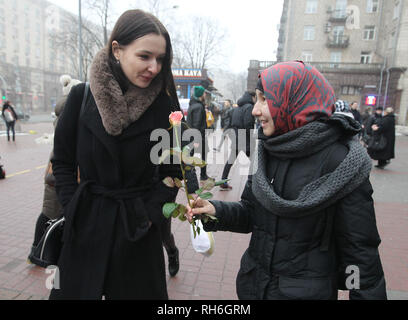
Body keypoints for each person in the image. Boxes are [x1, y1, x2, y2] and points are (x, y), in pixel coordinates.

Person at [187, 61, 386, 300]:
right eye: (257, 99)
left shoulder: (341, 161)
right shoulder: (268, 149)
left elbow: (361, 256)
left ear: (295, 100)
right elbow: (253, 212)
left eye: (264, 99)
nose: (255, 110)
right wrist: (215, 211)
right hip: (254, 287)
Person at [49, 9, 197, 300]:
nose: (154, 67)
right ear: (117, 50)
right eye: (145, 56)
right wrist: (72, 206)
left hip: (138, 231)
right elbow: (62, 161)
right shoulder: (80, 99)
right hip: (86, 226)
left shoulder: (164, 107)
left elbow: (172, 170)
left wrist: (151, 214)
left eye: (161, 59)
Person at [28, 75, 81, 266]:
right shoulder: (69, 110)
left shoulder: (64, 109)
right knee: (49, 212)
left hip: (57, 169)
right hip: (57, 171)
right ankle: (37, 250)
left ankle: (39, 250)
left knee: (51, 212)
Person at [219, 91, 256, 190]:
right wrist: (252, 137)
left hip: (236, 137)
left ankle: (223, 181)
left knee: (230, 161)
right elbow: (248, 124)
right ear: (252, 97)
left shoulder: (236, 108)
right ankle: (254, 184)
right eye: (255, 97)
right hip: (245, 138)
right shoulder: (249, 107)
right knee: (255, 161)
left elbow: (231, 123)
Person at [187, 85, 211, 182]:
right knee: (203, 154)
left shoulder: (193, 105)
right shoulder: (198, 107)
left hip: (192, 135)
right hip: (197, 136)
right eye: (204, 93)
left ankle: (193, 175)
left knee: (192, 155)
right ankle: (200, 175)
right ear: (201, 94)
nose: (205, 94)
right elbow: (196, 124)